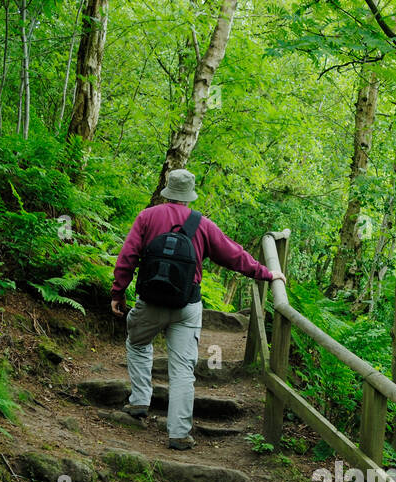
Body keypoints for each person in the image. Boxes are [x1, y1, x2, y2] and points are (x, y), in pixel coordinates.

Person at [111, 169, 285, 450]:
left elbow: (128, 256)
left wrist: (118, 292)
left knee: (138, 343)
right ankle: (178, 433)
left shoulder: (147, 217)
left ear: (167, 190)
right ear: (189, 196)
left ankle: (140, 401)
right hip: (187, 305)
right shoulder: (201, 224)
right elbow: (233, 255)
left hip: (150, 302)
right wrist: (266, 273)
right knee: (182, 369)